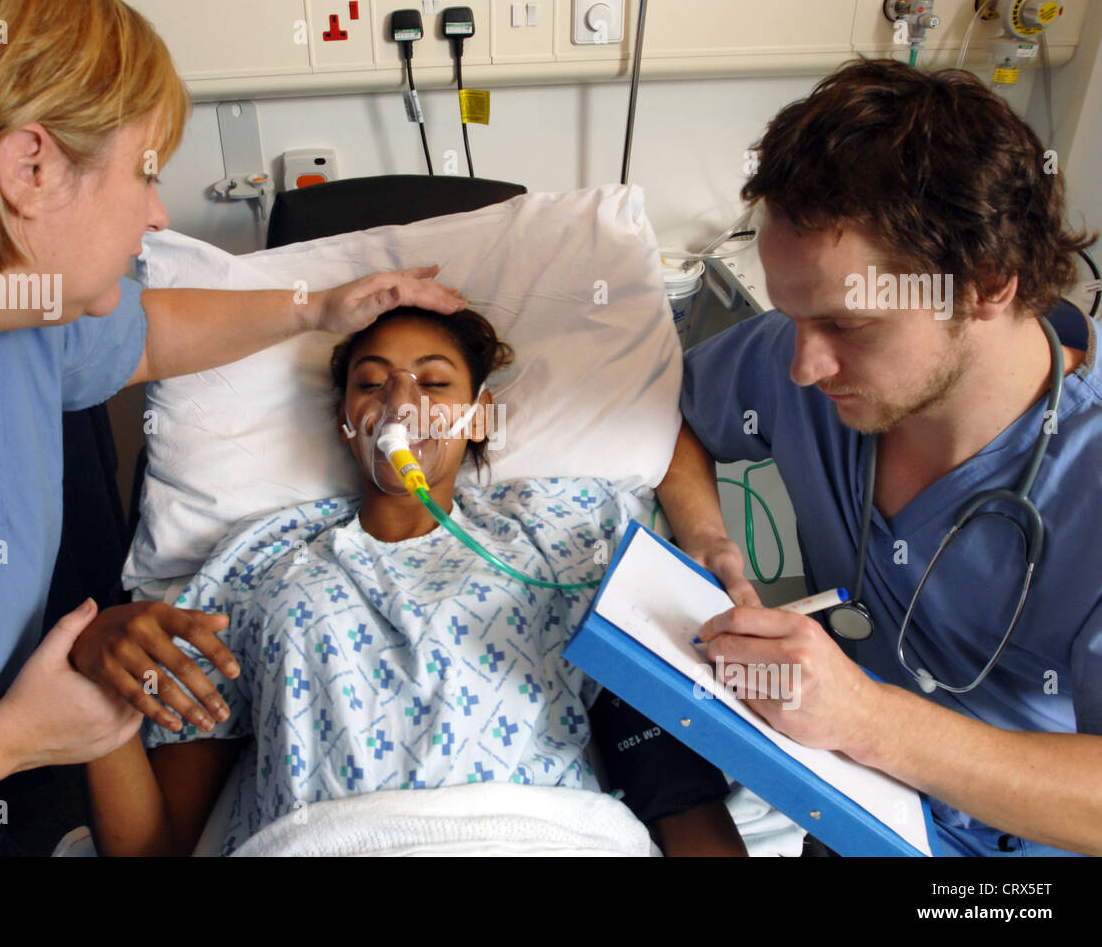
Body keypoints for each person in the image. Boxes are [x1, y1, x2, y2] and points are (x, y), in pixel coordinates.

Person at [0, 0, 462, 856]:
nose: (158, 214)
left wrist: (321, 307)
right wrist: (13, 737)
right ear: (27, 168)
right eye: (146, 172)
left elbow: (142, 332)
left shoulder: (4, 301)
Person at [80, 307, 745, 855]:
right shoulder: (261, 562)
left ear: (479, 417)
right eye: (372, 383)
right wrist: (88, 661)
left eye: (434, 383)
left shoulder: (558, 529)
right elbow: (153, 847)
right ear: (346, 423)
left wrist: (711, 542)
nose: (401, 403)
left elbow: (662, 433)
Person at [663, 59, 1101, 856]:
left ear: (986, 282)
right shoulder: (803, 368)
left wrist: (865, 717)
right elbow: (666, 415)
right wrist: (706, 536)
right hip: (850, 816)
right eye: (792, 314)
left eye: (849, 326)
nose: (802, 365)